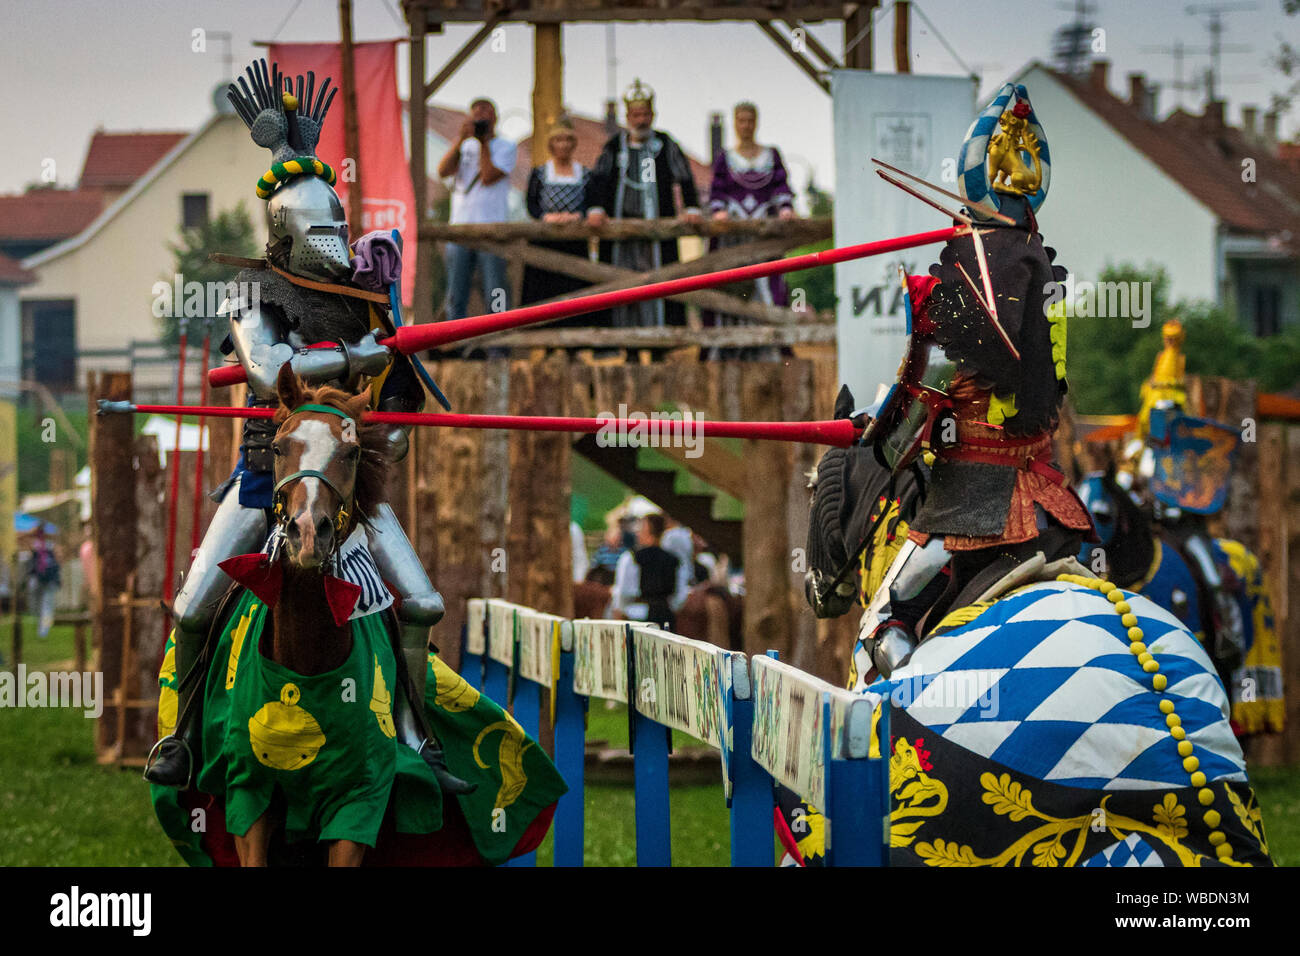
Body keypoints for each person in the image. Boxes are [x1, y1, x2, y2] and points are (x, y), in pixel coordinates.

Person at [144, 59, 470, 797]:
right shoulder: (250, 290)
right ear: (285, 229)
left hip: (346, 487)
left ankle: (415, 736)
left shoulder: (363, 293)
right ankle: (183, 736)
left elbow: (400, 392)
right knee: (193, 606)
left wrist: (391, 409)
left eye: (338, 227)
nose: (332, 240)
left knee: (420, 602)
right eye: (318, 228)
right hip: (269, 476)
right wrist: (358, 352)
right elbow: (271, 368)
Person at [585, 79, 702, 328]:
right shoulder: (615, 146)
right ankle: (627, 346)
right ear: (628, 116)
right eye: (636, 115)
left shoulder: (665, 144)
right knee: (621, 286)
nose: (641, 120)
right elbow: (599, 179)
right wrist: (596, 209)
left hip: (658, 231)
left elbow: (685, 176)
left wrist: (691, 208)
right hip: (621, 231)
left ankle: (661, 344)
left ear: (653, 115)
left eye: (645, 114)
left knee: (661, 284)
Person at [705, 102, 796, 357]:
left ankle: (773, 344)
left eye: (750, 120)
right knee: (730, 284)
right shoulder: (726, 158)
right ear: (735, 123)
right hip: (733, 237)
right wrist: (719, 212)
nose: (746, 126)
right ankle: (725, 346)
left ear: (756, 122)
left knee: (768, 283)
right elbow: (717, 190)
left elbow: (781, 186)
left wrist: (785, 208)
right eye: (741, 121)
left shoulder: (771, 155)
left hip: (764, 234)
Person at [436, 97, 518, 325]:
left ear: (495, 117)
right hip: (460, 227)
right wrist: (461, 140)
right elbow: (442, 171)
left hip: (492, 227)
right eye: (476, 112)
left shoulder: (506, 146)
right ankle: (456, 345)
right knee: (455, 290)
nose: (481, 116)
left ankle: (498, 344)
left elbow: (489, 176)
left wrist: (483, 143)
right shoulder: (463, 145)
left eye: (486, 111)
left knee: (495, 290)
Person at [522, 121, 591, 320]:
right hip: (545, 239)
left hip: (574, 240)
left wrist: (578, 216)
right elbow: (531, 204)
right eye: (559, 140)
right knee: (545, 288)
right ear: (552, 144)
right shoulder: (540, 173)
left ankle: (575, 339)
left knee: (574, 287)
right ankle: (545, 340)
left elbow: (592, 201)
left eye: (568, 140)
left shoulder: (584, 174)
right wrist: (546, 217)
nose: (563, 145)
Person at [610, 513, 691, 630]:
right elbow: (680, 597)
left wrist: (621, 612)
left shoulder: (631, 558)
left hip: (636, 617)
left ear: (647, 531)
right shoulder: (674, 560)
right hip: (665, 617)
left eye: (641, 528)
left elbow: (623, 593)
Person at [26, 527, 60, 638]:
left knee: (42, 606)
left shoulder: (35, 546)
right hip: (48, 580)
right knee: (46, 606)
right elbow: (57, 562)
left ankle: (43, 630)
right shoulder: (50, 546)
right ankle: (44, 630)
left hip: (40, 580)